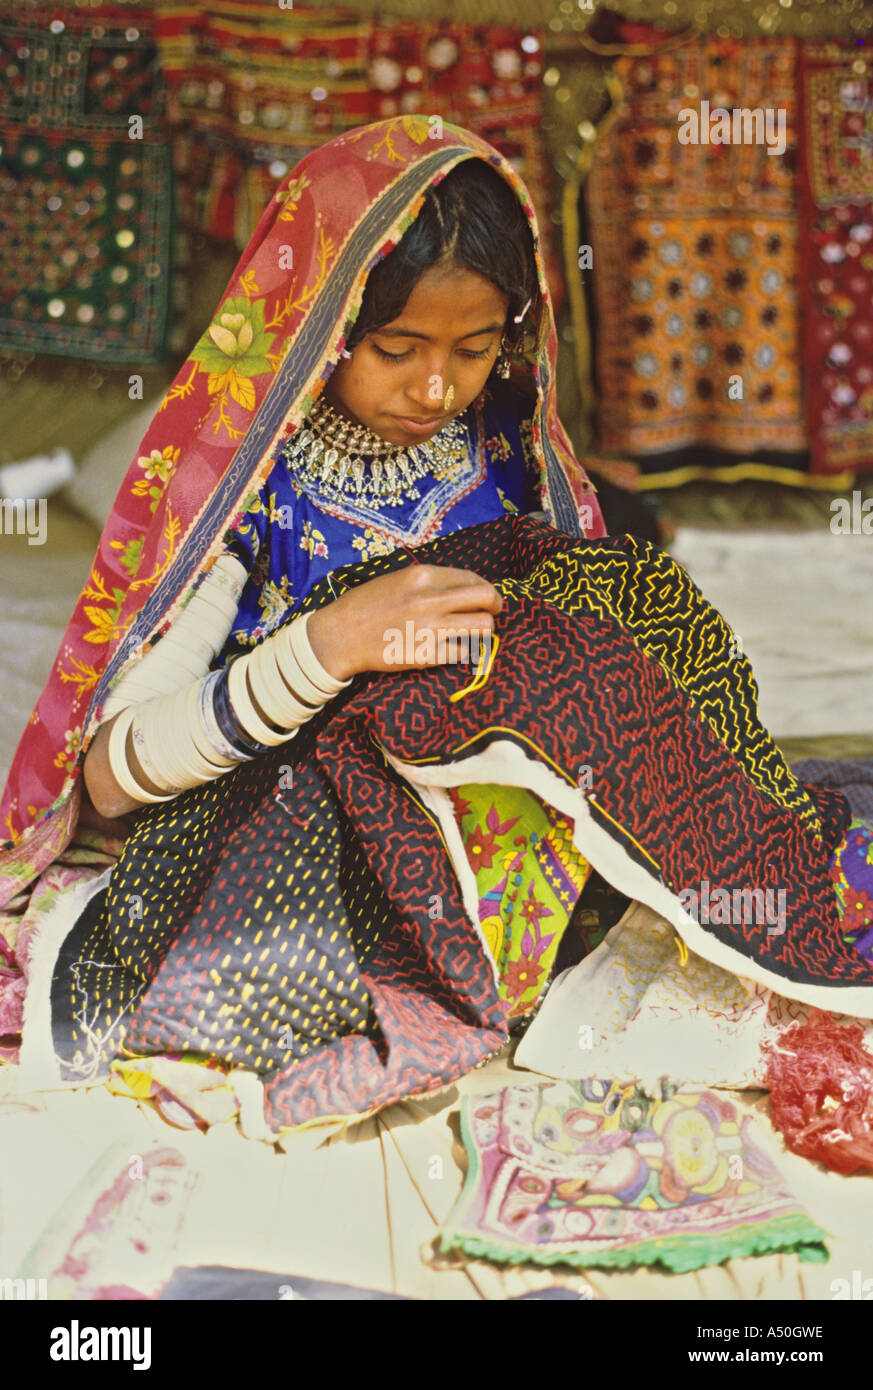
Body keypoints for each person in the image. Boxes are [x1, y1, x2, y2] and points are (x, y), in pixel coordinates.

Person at [2, 117, 872, 1137]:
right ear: (316, 325)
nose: (433, 387)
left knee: (635, 653)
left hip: (514, 854)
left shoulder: (510, 470)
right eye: (397, 348)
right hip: (311, 845)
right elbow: (111, 772)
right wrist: (325, 647)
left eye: (473, 348)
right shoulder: (242, 503)